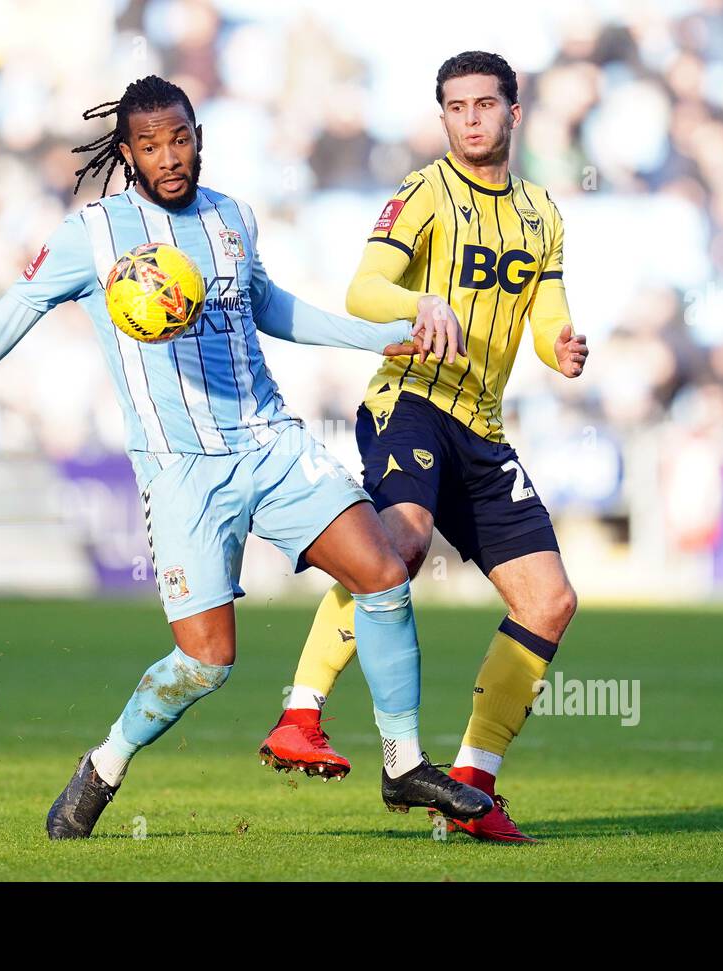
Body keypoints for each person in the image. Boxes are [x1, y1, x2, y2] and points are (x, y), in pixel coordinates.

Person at [0, 75, 492, 839]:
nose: (169, 156)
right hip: (181, 471)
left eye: (180, 138)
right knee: (206, 663)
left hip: (271, 443)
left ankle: (402, 762)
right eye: (150, 145)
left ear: (198, 136)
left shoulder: (231, 217)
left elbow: (272, 308)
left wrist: (377, 336)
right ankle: (105, 765)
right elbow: (2, 323)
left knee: (385, 570)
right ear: (126, 152)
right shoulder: (90, 235)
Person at [259, 52, 589, 843]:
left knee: (550, 601)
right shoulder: (423, 193)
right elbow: (363, 291)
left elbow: (547, 311)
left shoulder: (543, 212)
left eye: (485, 104)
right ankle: (299, 714)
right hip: (409, 402)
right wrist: (421, 301)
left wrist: (561, 345)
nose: (471, 118)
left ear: (514, 111)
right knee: (398, 546)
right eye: (456, 106)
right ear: (442, 117)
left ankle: (474, 781)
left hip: (481, 425)